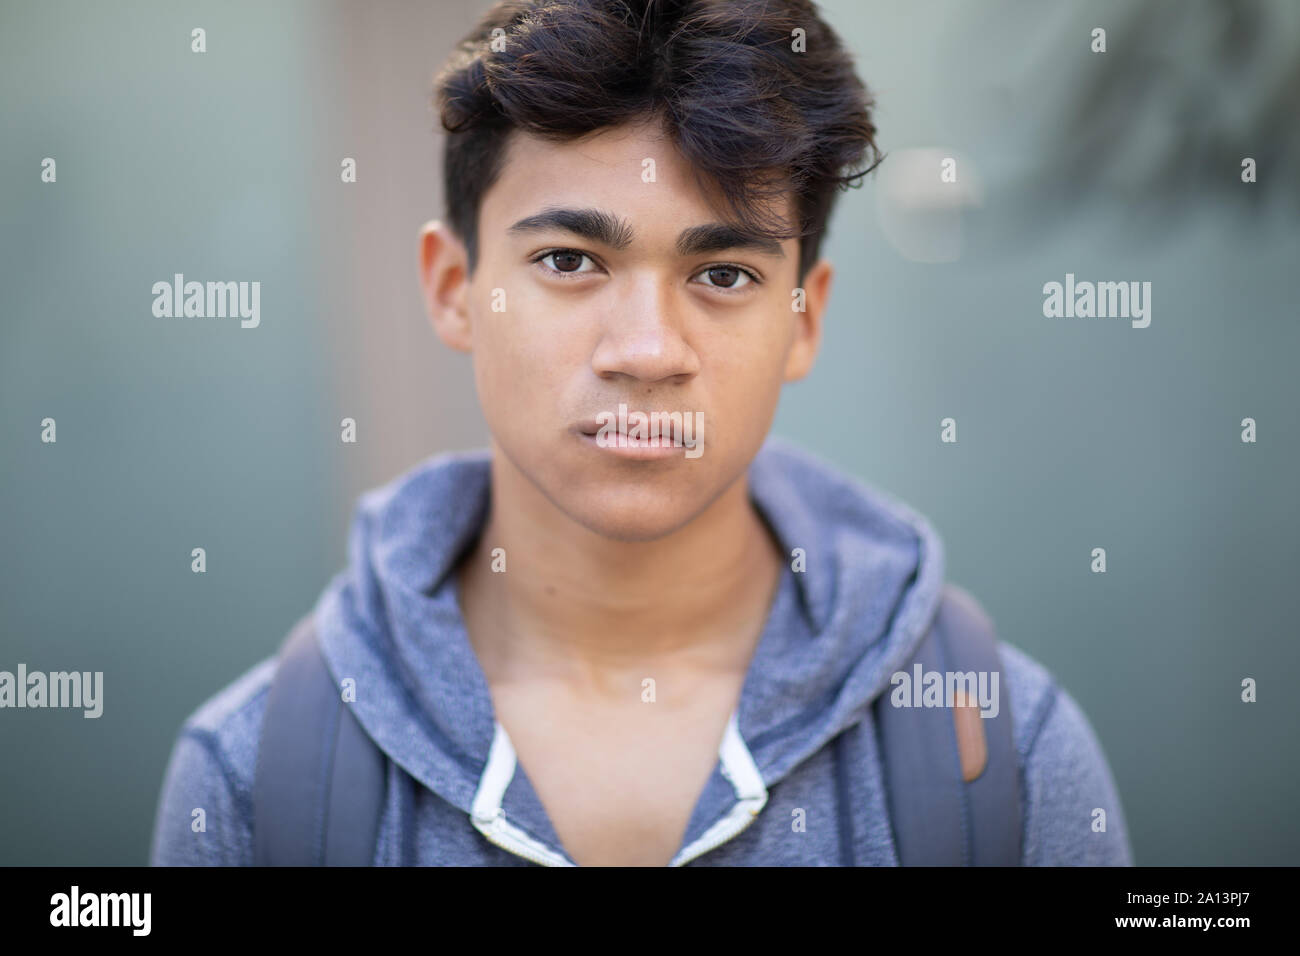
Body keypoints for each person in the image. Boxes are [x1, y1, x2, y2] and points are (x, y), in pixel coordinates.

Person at [150, 0, 1133, 867]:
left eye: (723, 274)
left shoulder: (998, 747)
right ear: (455, 290)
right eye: (571, 259)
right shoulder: (253, 771)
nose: (648, 349)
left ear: (802, 318)